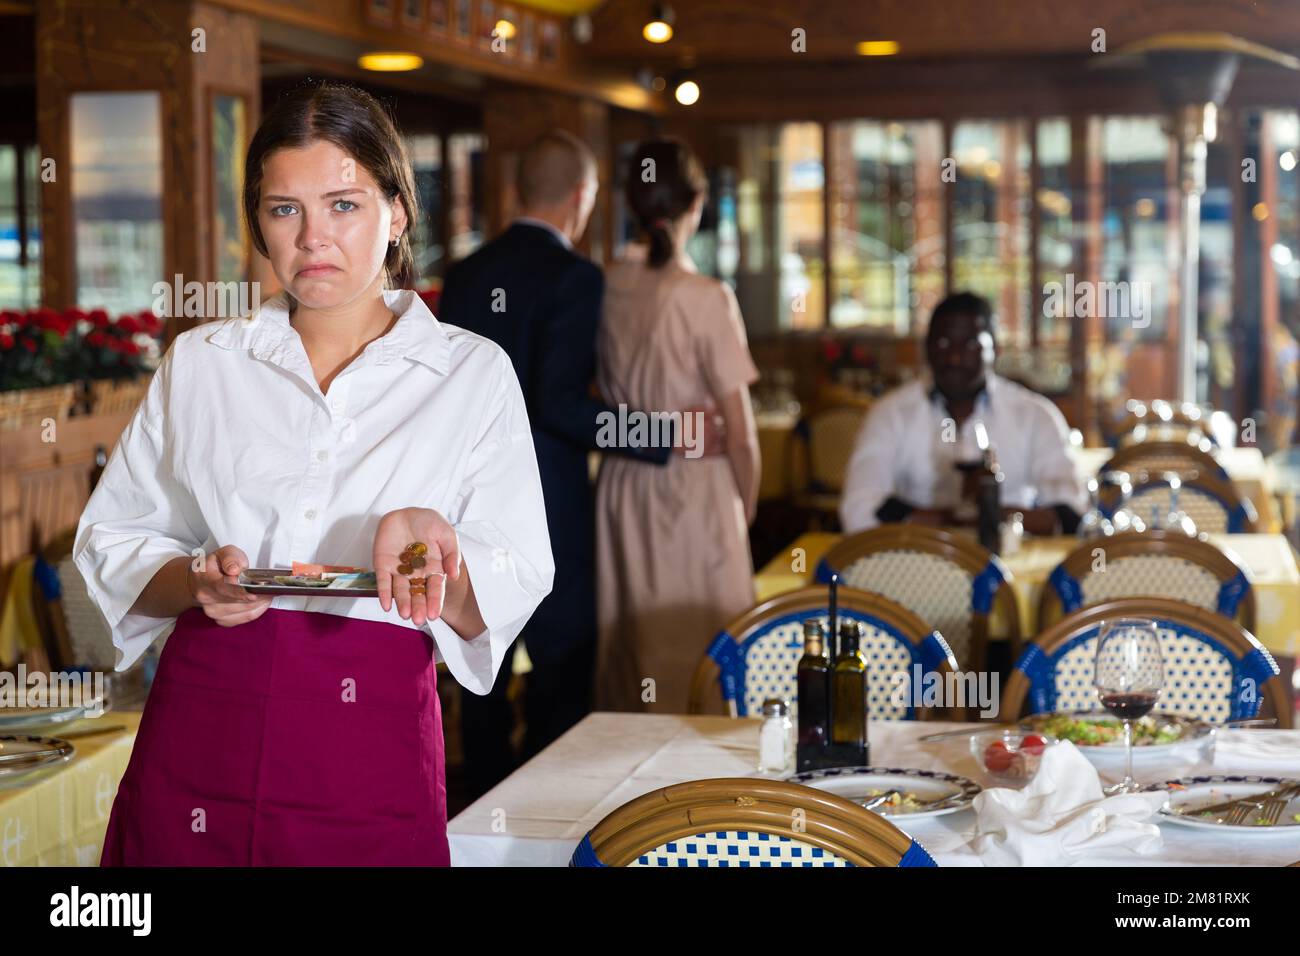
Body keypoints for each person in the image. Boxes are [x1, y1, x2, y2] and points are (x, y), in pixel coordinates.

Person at [73, 81, 553, 865]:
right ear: (259, 222)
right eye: (284, 209)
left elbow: (509, 580)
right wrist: (196, 580)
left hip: (370, 740)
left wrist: (434, 550)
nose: (312, 238)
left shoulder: (469, 374)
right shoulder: (203, 363)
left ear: (397, 211)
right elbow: (115, 538)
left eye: (343, 204)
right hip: (201, 728)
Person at [439, 131, 714, 798]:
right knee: (564, 676)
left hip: (461, 505)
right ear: (582, 199)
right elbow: (558, 405)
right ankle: (548, 809)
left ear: (512, 192)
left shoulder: (466, 275)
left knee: (482, 670)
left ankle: (478, 810)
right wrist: (663, 432)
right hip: (547, 506)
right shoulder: (575, 277)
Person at [595, 138, 761, 714]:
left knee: (634, 649)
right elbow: (740, 434)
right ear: (698, 203)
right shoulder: (706, 296)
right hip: (696, 489)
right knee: (707, 652)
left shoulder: (607, 283)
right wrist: (746, 505)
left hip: (622, 485)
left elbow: (597, 409)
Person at [840, 291, 1087, 536]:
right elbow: (859, 510)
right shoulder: (890, 413)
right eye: (943, 343)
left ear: (995, 350)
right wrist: (952, 520)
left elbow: (1072, 512)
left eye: (971, 344)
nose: (955, 358)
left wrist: (990, 517)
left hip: (1012, 565)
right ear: (927, 349)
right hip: (917, 564)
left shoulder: (1035, 414)